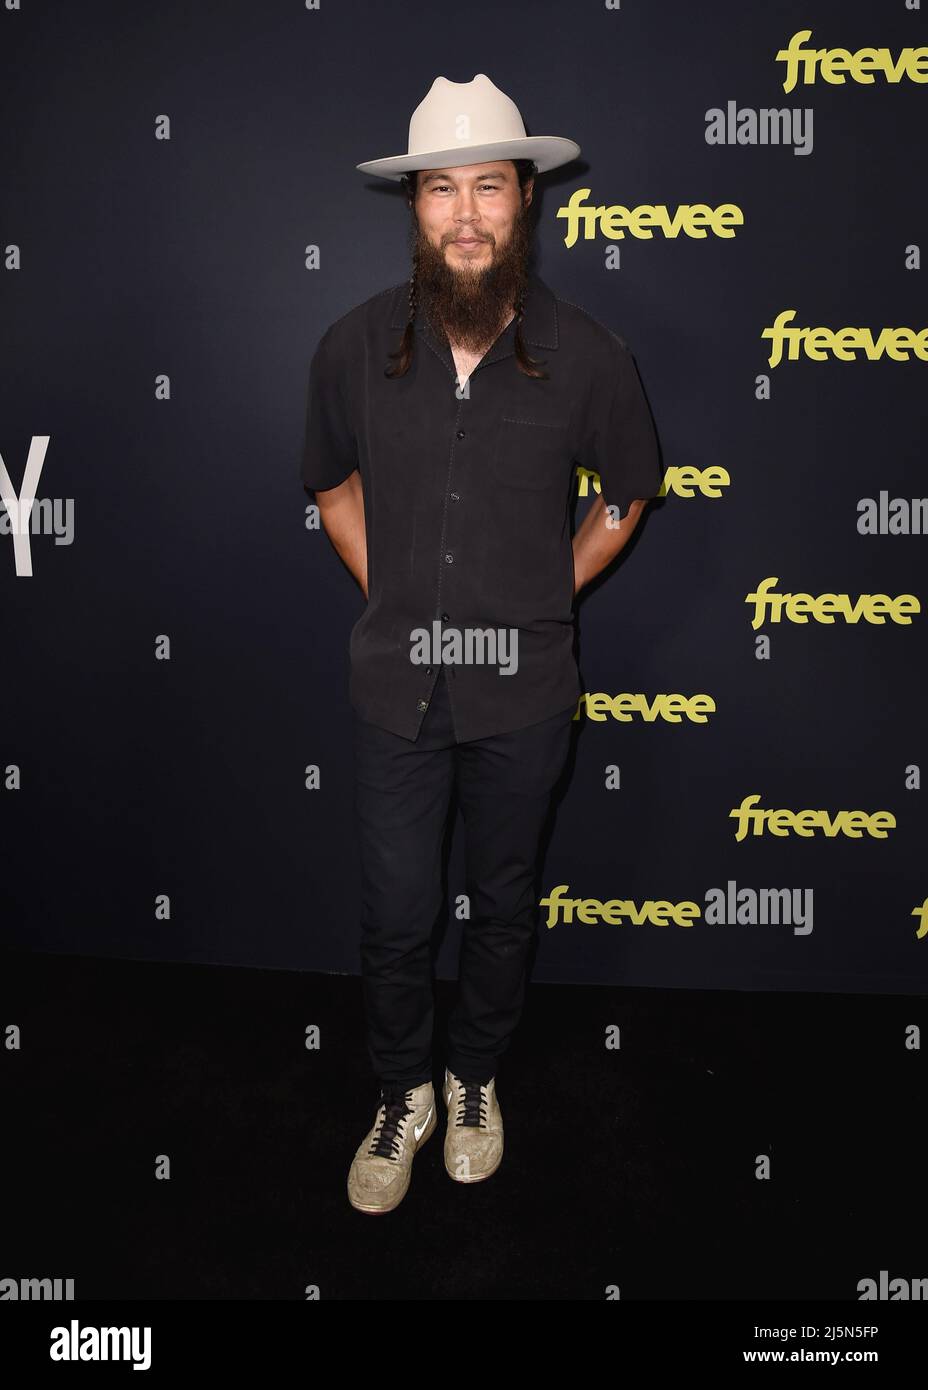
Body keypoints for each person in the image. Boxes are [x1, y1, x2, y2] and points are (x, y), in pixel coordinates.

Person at [301, 73, 664, 1214]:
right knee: (397, 912)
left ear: (526, 201)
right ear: (412, 206)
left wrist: (534, 593)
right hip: (392, 688)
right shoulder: (353, 346)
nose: (465, 213)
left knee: (503, 903)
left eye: (489, 188)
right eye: (441, 189)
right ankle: (403, 1088)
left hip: (527, 697)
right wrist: (395, 584)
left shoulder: (590, 354)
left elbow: (629, 494)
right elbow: (330, 483)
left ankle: (472, 1080)